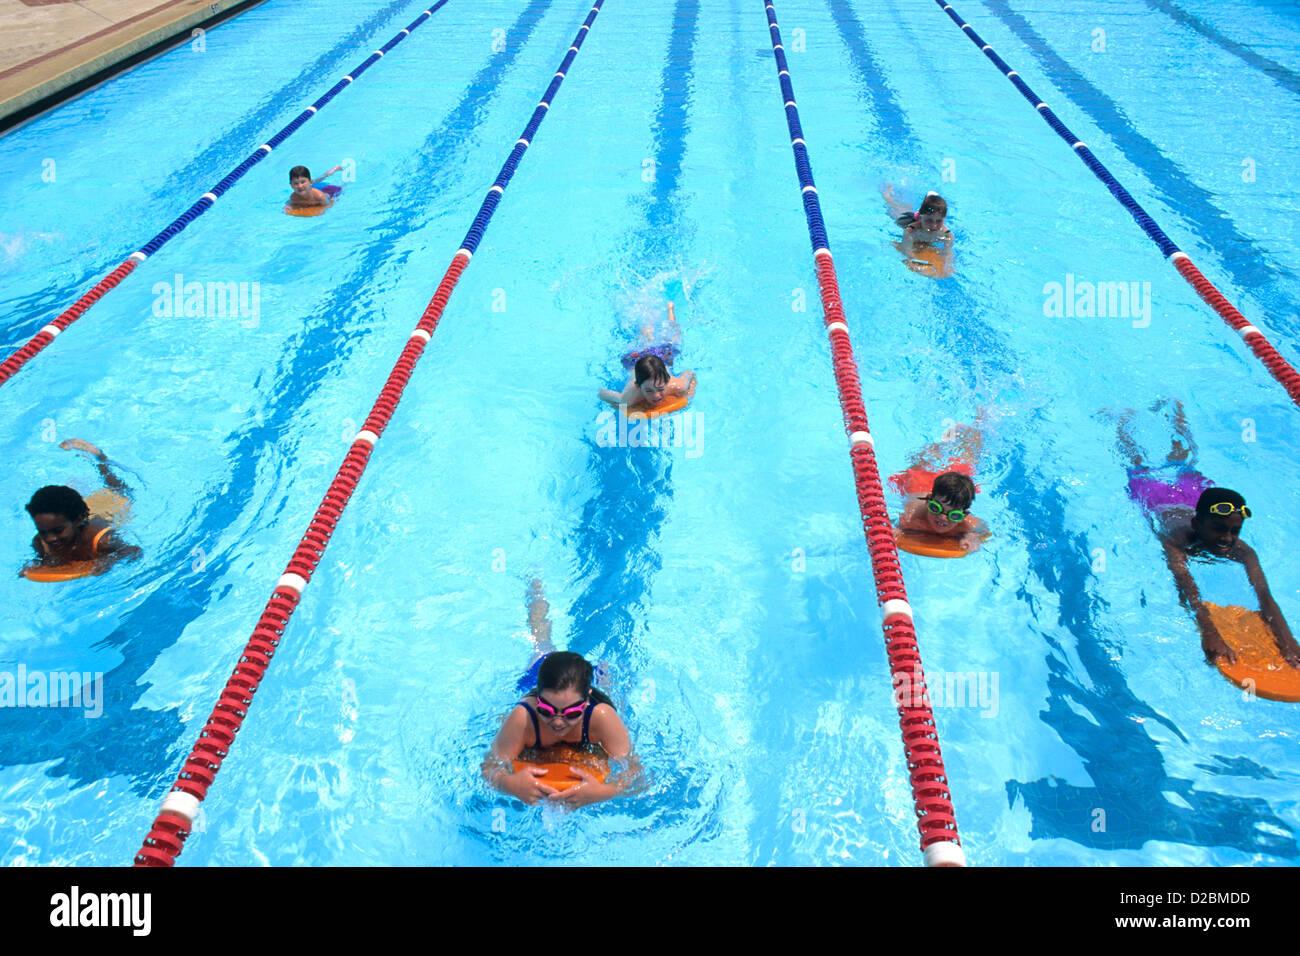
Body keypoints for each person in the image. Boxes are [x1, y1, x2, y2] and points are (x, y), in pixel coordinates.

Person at [1114, 400, 1299, 666]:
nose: (1227, 538)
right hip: (1155, 497)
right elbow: (1188, 588)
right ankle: (1124, 421)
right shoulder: (1176, 542)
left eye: (1235, 531)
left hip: (1192, 493)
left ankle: (1176, 414)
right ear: (1196, 525)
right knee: (1137, 463)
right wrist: (1209, 632)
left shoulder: (1243, 551)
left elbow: (1265, 596)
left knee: (1183, 463)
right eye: (1220, 530)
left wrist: (1288, 640)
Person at [483, 581, 636, 807]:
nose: (557, 721)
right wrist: (509, 785)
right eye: (546, 710)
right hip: (543, 671)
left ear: (585, 703)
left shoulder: (601, 717)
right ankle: (535, 588)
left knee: (612, 686)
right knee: (541, 643)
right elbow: (488, 768)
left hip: (590, 687)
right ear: (538, 700)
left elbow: (638, 775)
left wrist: (605, 792)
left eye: (571, 713)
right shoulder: (524, 718)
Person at [25, 439, 140, 570]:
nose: (50, 538)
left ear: (78, 520)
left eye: (58, 531)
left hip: (111, 507)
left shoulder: (102, 539)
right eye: (42, 532)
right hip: (76, 513)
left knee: (122, 491)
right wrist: (31, 567)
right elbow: (40, 561)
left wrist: (108, 561)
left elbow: (134, 551)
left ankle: (99, 457)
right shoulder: (40, 543)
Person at [892, 418, 988, 552]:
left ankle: (979, 421)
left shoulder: (967, 524)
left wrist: (972, 536)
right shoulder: (911, 518)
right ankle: (946, 442)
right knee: (924, 459)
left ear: (964, 515)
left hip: (945, 486)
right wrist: (896, 530)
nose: (943, 517)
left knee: (969, 455)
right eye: (935, 508)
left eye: (954, 515)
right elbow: (894, 524)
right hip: (920, 482)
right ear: (928, 503)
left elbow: (983, 528)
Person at [598, 302, 695, 418]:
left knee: (674, 337)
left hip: (661, 356)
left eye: (660, 388)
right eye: (649, 391)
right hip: (636, 358)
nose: (656, 395)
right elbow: (602, 393)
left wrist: (690, 391)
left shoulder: (678, 385)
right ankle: (645, 311)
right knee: (644, 337)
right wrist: (619, 406)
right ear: (638, 386)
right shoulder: (628, 398)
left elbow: (689, 373)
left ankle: (670, 309)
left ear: (667, 381)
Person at [883, 186, 954, 251]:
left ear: (944, 218)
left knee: (906, 206)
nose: (934, 225)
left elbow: (947, 254)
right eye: (929, 220)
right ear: (920, 218)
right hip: (907, 220)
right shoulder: (911, 231)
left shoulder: (946, 235)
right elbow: (906, 251)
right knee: (895, 209)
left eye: (939, 221)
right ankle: (887, 194)